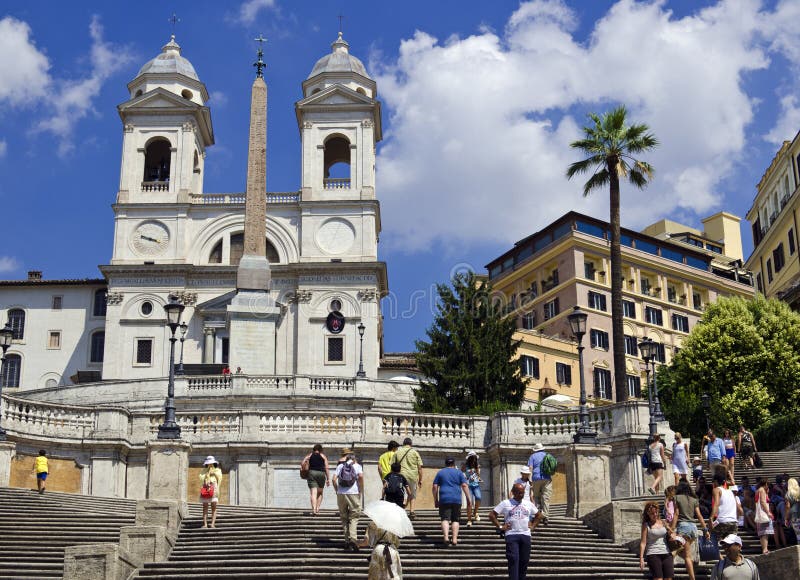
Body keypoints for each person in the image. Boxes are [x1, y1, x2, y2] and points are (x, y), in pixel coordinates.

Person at [489, 482, 542, 580]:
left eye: (522, 493)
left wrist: (533, 526)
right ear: (513, 492)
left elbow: (538, 515)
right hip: (512, 535)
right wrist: (501, 527)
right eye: (518, 492)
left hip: (525, 535)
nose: (521, 495)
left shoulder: (528, 503)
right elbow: (492, 515)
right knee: (513, 559)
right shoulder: (506, 503)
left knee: (524, 560)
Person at [670, 479, 709, 580]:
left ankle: (692, 578)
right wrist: (705, 530)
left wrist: (672, 529)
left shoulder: (677, 498)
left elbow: (676, 514)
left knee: (686, 555)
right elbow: (699, 515)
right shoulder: (694, 499)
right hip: (693, 528)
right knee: (683, 552)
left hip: (683, 527)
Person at [432, 457, 470, 546]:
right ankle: (454, 539)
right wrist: (468, 499)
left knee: (445, 519)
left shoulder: (440, 472)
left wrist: (435, 500)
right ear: (454, 464)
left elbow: (434, 486)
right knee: (455, 520)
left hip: (444, 498)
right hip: (456, 499)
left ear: (445, 464)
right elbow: (464, 485)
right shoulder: (459, 473)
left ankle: (446, 537)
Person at [333, 447, 364, 551]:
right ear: (353, 457)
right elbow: (360, 477)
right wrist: (361, 489)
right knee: (354, 517)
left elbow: (334, 479)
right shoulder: (357, 466)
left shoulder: (340, 466)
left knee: (344, 518)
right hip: (353, 493)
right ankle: (353, 540)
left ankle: (347, 541)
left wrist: (337, 490)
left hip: (341, 493)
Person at [639, 501, 674, 580]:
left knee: (669, 578)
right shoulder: (646, 525)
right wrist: (641, 558)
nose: (655, 515)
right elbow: (643, 542)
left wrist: (673, 536)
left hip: (667, 553)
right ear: (648, 513)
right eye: (652, 513)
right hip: (653, 554)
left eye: (656, 512)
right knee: (658, 578)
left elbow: (672, 532)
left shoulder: (664, 522)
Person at [393, 438, 423, 520]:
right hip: (412, 476)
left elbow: (392, 465)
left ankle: (400, 509)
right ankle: (412, 511)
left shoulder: (397, 452)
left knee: (401, 493)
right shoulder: (415, 453)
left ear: (403, 443)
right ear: (411, 444)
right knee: (412, 494)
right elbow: (420, 468)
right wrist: (420, 479)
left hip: (400, 476)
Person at [527, 443, 552, 523]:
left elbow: (530, 468)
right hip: (547, 478)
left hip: (536, 478)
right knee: (546, 497)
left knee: (535, 497)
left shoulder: (532, 456)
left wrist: (529, 479)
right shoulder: (547, 455)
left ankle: (536, 515)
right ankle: (545, 516)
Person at [711, 473, 742, 538]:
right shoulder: (731, 492)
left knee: (714, 540)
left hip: (722, 521)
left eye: (713, 481)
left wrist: (711, 517)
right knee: (731, 544)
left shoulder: (716, 490)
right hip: (734, 522)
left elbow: (716, 503)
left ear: (716, 481)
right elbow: (739, 508)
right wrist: (740, 519)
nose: (713, 483)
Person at [302, 444, 330, 515]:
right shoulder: (323, 456)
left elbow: (302, 463)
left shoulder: (310, 455)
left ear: (314, 449)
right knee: (320, 492)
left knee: (313, 493)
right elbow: (326, 468)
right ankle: (317, 508)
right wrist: (328, 479)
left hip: (312, 473)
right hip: (321, 474)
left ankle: (313, 509)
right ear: (321, 450)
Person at [199, 455, 222, 528]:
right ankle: (205, 524)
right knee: (205, 507)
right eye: (209, 463)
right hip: (206, 488)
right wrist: (206, 475)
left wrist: (214, 473)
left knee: (214, 507)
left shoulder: (218, 470)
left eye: (211, 463)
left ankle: (212, 524)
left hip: (214, 488)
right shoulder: (203, 470)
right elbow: (200, 478)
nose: (210, 465)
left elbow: (220, 478)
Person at [754, 477, 774, 554]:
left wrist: (767, 493)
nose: (768, 486)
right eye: (768, 484)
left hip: (759, 513)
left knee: (762, 532)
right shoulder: (762, 490)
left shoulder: (757, 490)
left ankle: (764, 548)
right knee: (765, 532)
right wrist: (768, 512)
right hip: (763, 512)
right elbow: (763, 502)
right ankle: (765, 549)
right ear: (765, 484)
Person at [462, 451, 482, 526]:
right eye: (472, 457)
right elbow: (461, 473)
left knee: (478, 498)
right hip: (468, 485)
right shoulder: (465, 465)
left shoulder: (477, 465)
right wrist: (464, 476)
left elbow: (478, 475)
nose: (474, 459)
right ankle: (469, 519)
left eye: (474, 457)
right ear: (469, 458)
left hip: (476, 484)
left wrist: (479, 477)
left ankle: (475, 512)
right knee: (469, 503)